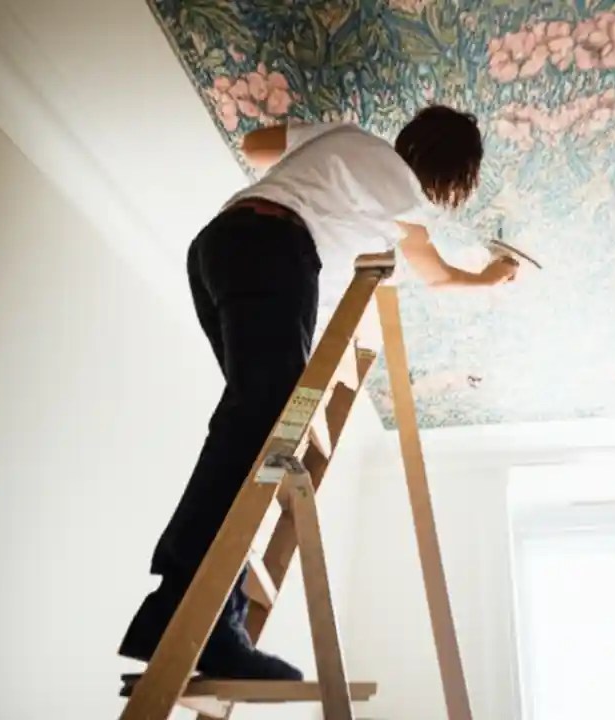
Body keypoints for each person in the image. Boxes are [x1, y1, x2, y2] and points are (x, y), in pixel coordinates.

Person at [118, 105, 519, 679]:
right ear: (451, 177)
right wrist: (489, 277)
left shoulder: (346, 135)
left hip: (216, 249)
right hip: (273, 250)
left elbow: (257, 144)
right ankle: (188, 608)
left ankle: (204, 606)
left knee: (250, 426)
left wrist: (318, 175)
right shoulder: (405, 192)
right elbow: (436, 275)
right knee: (261, 427)